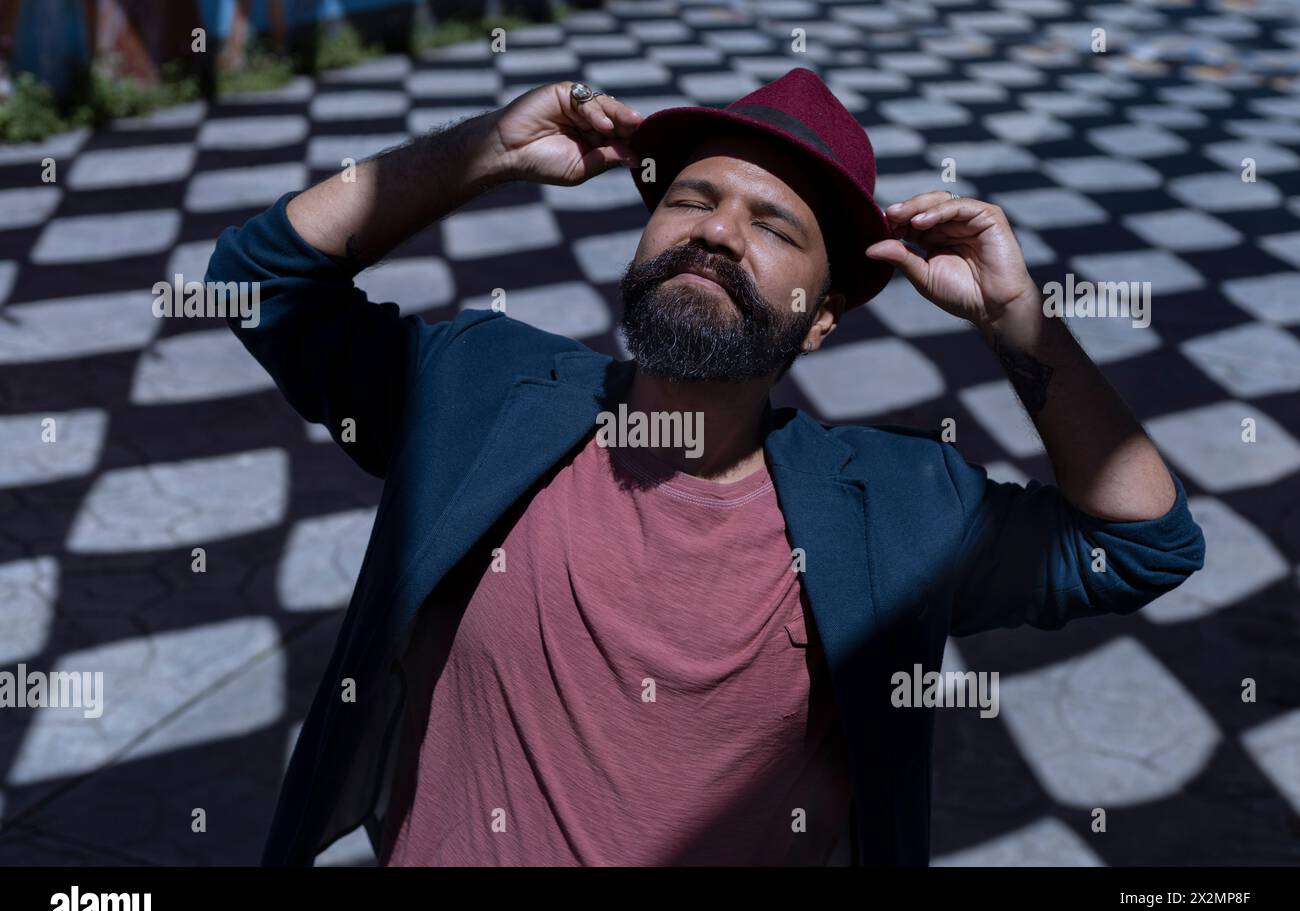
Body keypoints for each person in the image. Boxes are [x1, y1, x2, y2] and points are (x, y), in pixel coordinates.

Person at [206, 68, 1205, 866]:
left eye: (774, 227)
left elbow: (1141, 543)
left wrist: (1011, 317)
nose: (719, 231)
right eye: (691, 198)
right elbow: (253, 285)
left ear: (819, 320)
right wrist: (492, 150)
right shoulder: (483, 393)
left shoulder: (892, 508)